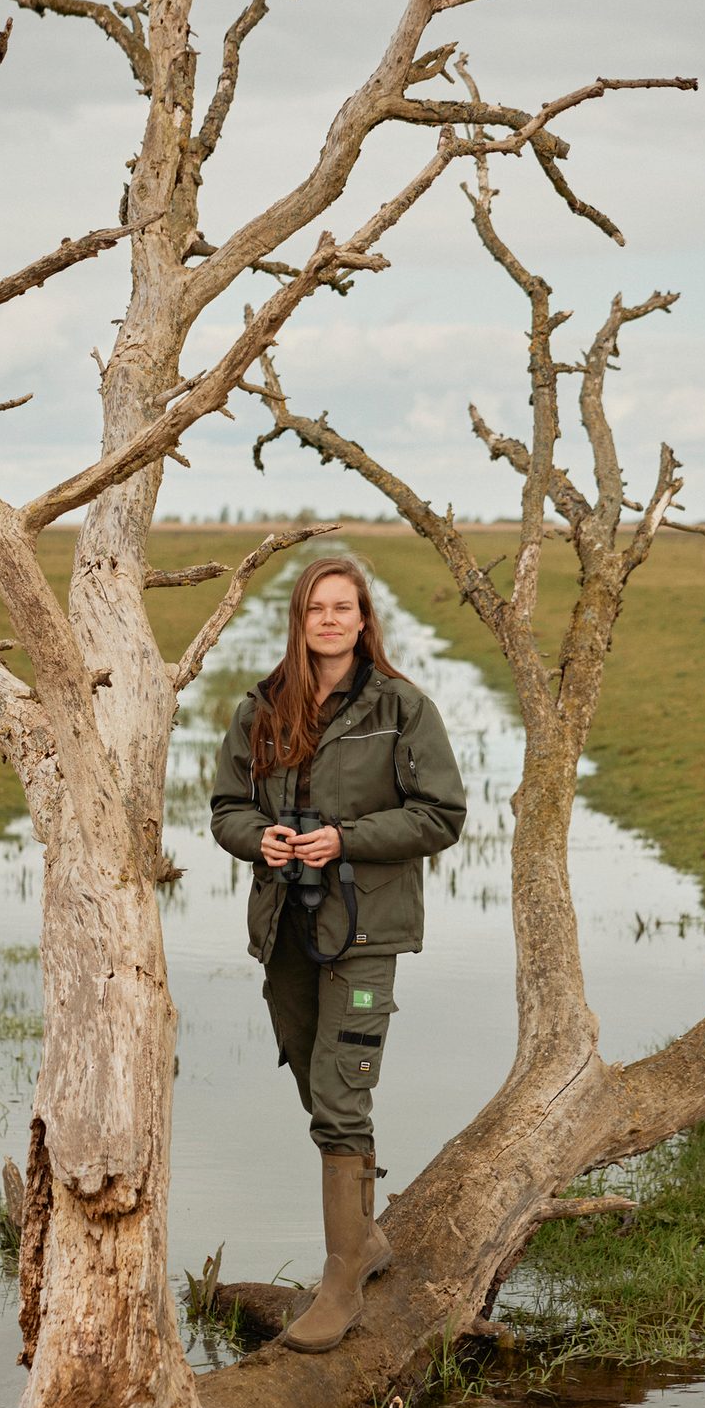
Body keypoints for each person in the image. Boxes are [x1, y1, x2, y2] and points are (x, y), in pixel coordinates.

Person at [210, 555, 466, 1353]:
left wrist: (344, 838)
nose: (329, 620)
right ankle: (367, 1238)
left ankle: (341, 1281)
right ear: (300, 619)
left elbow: (441, 814)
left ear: (364, 620)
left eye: (343, 607)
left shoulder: (402, 707)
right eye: (317, 607)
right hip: (286, 921)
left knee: (342, 1088)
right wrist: (265, 838)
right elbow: (225, 809)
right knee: (312, 1071)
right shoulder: (262, 708)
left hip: (366, 927)